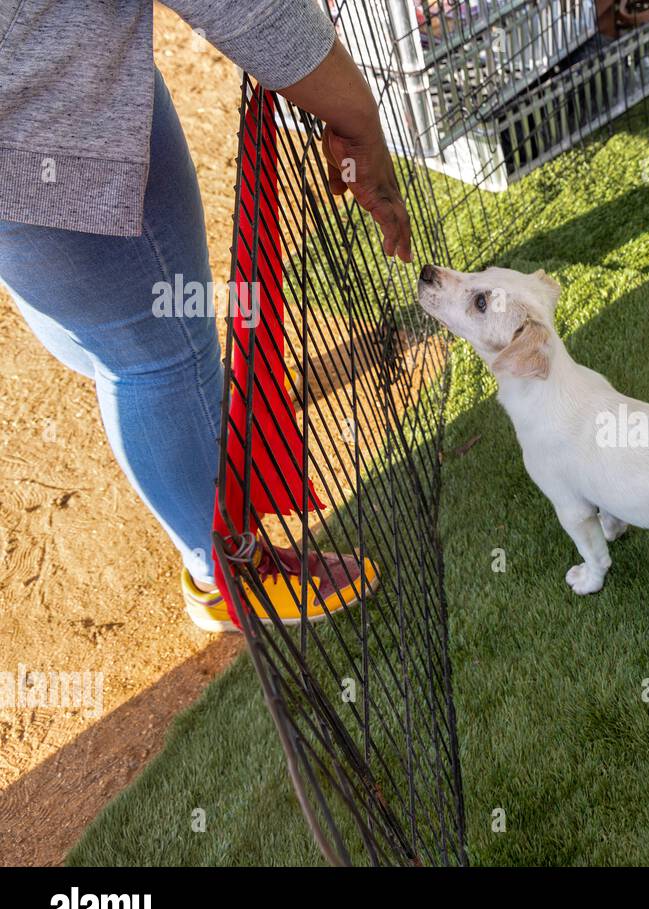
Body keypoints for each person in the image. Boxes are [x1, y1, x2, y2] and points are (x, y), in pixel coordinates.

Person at [0, 1, 411, 632]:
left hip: (40, 94)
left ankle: (207, 533)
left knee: (120, 346)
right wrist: (356, 117)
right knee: (159, 358)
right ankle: (228, 572)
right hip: (46, 119)